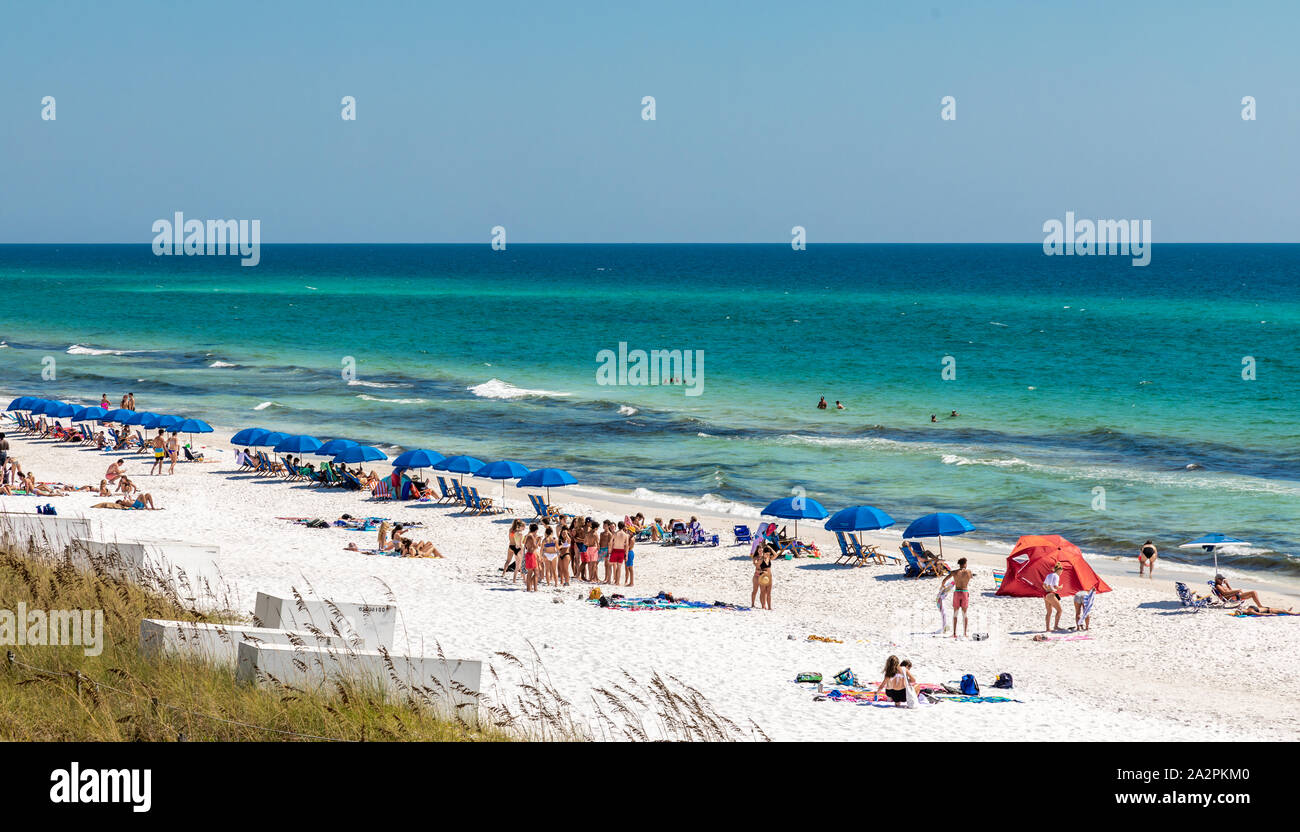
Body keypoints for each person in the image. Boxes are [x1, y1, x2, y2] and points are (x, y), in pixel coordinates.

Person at [939, 557, 972, 639]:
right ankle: (964, 633)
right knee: (965, 614)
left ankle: (954, 633)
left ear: (959, 564)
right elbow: (970, 578)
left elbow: (944, 581)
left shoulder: (954, 572)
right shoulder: (969, 572)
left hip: (957, 592)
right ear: (965, 564)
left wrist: (943, 587)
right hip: (964, 592)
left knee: (955, 613)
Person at [751, 540, 776, 610]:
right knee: (755, 590)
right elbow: (756, 565)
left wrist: (770, 548)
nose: (760, 552)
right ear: (757, 551)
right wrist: (761, 569)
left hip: (765, 576)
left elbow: (775, 556)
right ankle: (752, 604)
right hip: (757, 575)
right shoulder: (756, 558)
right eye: (759, 551)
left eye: (762, 551)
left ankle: (763, 605)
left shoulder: (766, 558)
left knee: (764, 592)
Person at [1042, 562, 1065, 632]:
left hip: (1045, 594)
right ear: (1059, 570)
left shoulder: (1049, 575)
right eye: (1061, 571)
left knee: (1049, 612)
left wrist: (1047, 589)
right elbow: (1055, 586)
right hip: (1051, 594)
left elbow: (1044, 585)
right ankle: (1056, 626)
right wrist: (1060, 587)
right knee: (1059, 610)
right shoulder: (1056, 576)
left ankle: (1048, 628)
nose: (1061, 573)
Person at [522, 524, 540, 592]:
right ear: (536, 530)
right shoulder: (531, 536)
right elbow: (535, 547)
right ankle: (535, 588)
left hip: (528, 554)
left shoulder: (528, 535)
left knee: (530, 572)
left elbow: (525, 545)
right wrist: (538, 540)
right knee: (535, 572)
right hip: (531, 554)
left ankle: (529, 588)